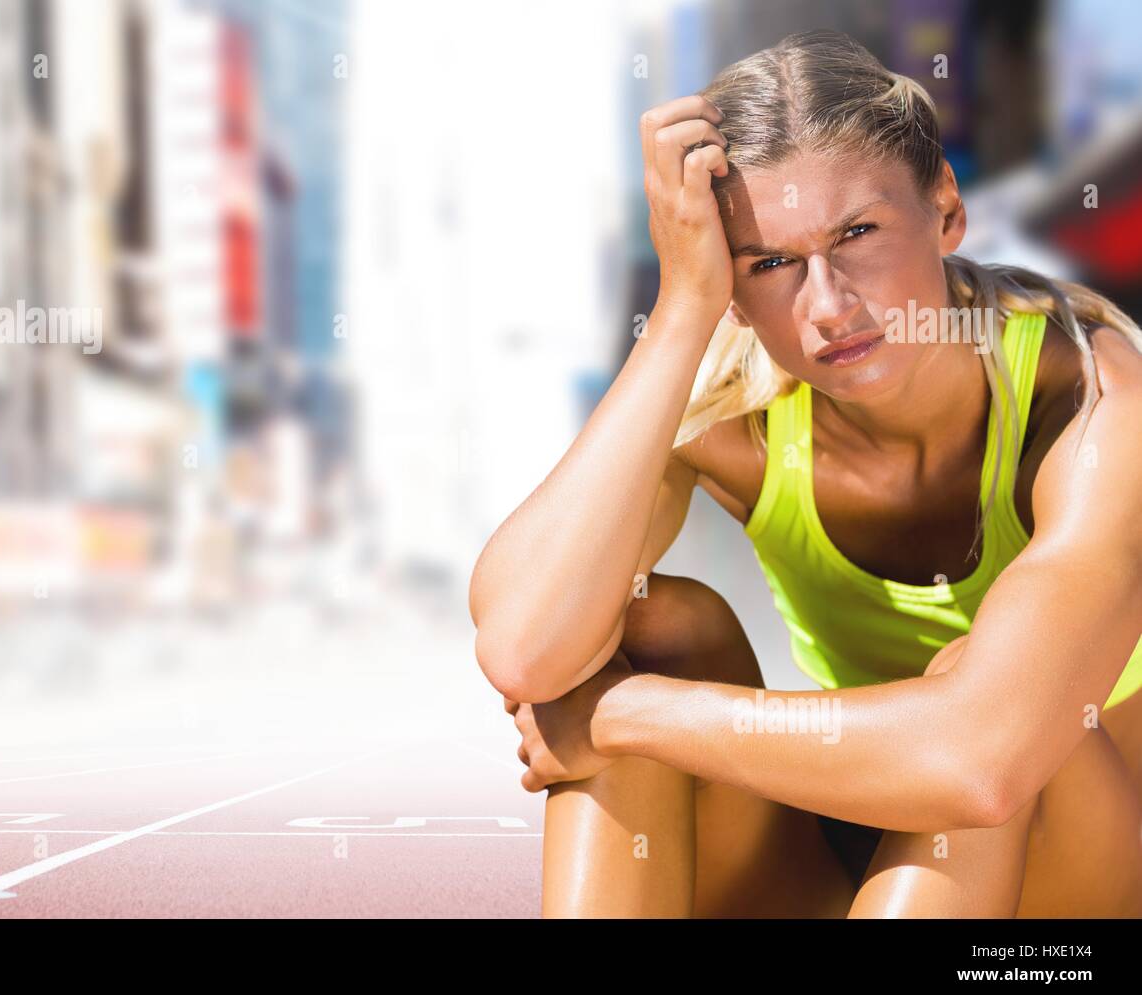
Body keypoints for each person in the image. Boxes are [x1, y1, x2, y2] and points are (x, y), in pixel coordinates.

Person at [468, 29, 1142, 918]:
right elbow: (524, 648)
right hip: (846, 861)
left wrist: (627, 715)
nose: (826, 307)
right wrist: (682, 312)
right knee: (641, 621)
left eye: (857, 233)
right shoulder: (734, 403)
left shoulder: (1095, 404)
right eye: (771, 263)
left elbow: (978, 766)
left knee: (975, 686)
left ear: (945, 210)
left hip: (1068, 903)